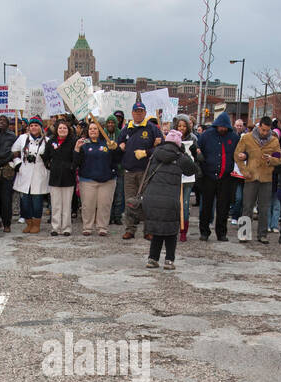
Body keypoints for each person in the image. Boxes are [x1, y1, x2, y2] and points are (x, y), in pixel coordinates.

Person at [142, 129, 196, 270]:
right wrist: (184, 153)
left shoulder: (155, 153)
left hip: (152, 196)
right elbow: (193, 169)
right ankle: (169, 260)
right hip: (170, 198)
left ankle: (152, 258)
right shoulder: (179, 157)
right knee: (171, 229)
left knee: (157, 228)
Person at [117, 101, 162, 239]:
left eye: (141, 111)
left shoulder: (152, 128)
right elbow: (119, 147)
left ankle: (148, 230)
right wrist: (119, 146)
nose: (138, 113)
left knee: (147, 201)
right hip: (129, 171)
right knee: (130, 202)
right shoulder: (126, 129)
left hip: (146, 171)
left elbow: (161, 148)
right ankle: (130, 229)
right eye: (136, 111)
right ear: (132, 113)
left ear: (145, 113)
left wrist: (147, 152)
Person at [234, 116, 281, 243]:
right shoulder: (247, 138)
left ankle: (262, 234)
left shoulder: (274, 141)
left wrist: (271, 159)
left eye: (268, 131)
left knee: (264, 207)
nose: (265, 133)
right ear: (259, 126)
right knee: (247, 206)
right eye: (263, 130)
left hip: (266, 178)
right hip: (251, 176)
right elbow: (237, 155)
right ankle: (244, 233)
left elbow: (279, 158)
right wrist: (244, 171)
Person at [195, 112, 240, 242]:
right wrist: (197, 152)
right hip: (208, 175)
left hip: (226, 177)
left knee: (223, 207)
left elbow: (239, 153)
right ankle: (204, 231)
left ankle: (221, 233)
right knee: (206, 206)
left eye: (225, 127)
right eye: (220, 127)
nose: (223, 129)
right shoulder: (206, 135)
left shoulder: (233, 137)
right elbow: (197, 149)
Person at [75, 120, 118, 236]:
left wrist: (115, 149)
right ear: (87, 131)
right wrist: (77, 149)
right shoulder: (84, 144)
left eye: (95, 128)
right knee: (87, 205)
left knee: (104, 205)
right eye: (90, 129)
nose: (93, 131)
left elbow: (117, 159)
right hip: (87, 180)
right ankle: (87, 227)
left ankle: (102, 227)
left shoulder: (107, 143)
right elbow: (76, 162)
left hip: (107, 180)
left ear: (100, 131)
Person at [11, 117, 50, 234]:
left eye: (36, 125)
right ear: (28, 127)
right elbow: (14, 151)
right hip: (25, 172)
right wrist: (17, 164)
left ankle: (36, 224)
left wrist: (46, 160)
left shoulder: (46, 140)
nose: (34, 127)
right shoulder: (22, 138)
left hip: (39, 173)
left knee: (37, 201)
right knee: (25, 202)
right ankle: (29, 223)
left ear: (40, 127)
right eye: (32, 125)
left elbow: (50, 157)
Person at [43, 119, 78, 236]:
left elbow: (77, 157)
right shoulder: (51, 141)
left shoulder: (73, 141)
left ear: (68, 130)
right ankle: (55, 227)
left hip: (68, 176)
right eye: (60, 128)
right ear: (56, 130)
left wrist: (72, 166)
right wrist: (49, 165)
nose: (62, 130)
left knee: (67, 205)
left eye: (65, 128)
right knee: (56, 204)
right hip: (55, 176)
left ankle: (66, 228)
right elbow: (45, 156)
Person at [172, 115, 198, 244]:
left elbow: (198, 157)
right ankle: (173, 228)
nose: (181, 128)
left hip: (188, 177)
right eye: (179, 126)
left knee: (185, 204)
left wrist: (196, 152)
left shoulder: (193, 139)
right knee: (175, 204)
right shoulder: (172, 138)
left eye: (184, 126)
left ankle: (184, 230)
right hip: (175, 175)